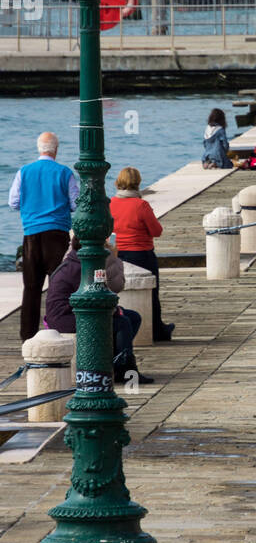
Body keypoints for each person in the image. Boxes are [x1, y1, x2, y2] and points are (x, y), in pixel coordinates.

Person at [45, 233, 153, 386]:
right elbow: (96, 298)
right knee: (122, 323)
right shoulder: (82, 267)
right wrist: (115, 311)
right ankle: (126, 369)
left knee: (133, 317)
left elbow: (99, 294)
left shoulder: (75, 260)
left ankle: (115, 360)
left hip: (74, 312)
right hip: (66, 318)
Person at [8, 132, 79, 343]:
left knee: (31, 287)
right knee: (58, 286)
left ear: (39, 148)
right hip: (57, 235)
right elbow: (75, 204)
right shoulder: (64, 173)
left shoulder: (24, 171)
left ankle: (27, 336)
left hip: (31, 236)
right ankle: (56, 328)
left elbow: (13, 202)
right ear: (56, 149)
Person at [110, 166, 174, 342]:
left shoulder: (111, 203)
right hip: (142, 253)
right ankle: (157, 330)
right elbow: (156, 231)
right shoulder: (141, 205)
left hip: (119, 253)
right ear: (137, 183)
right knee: (152, 293)